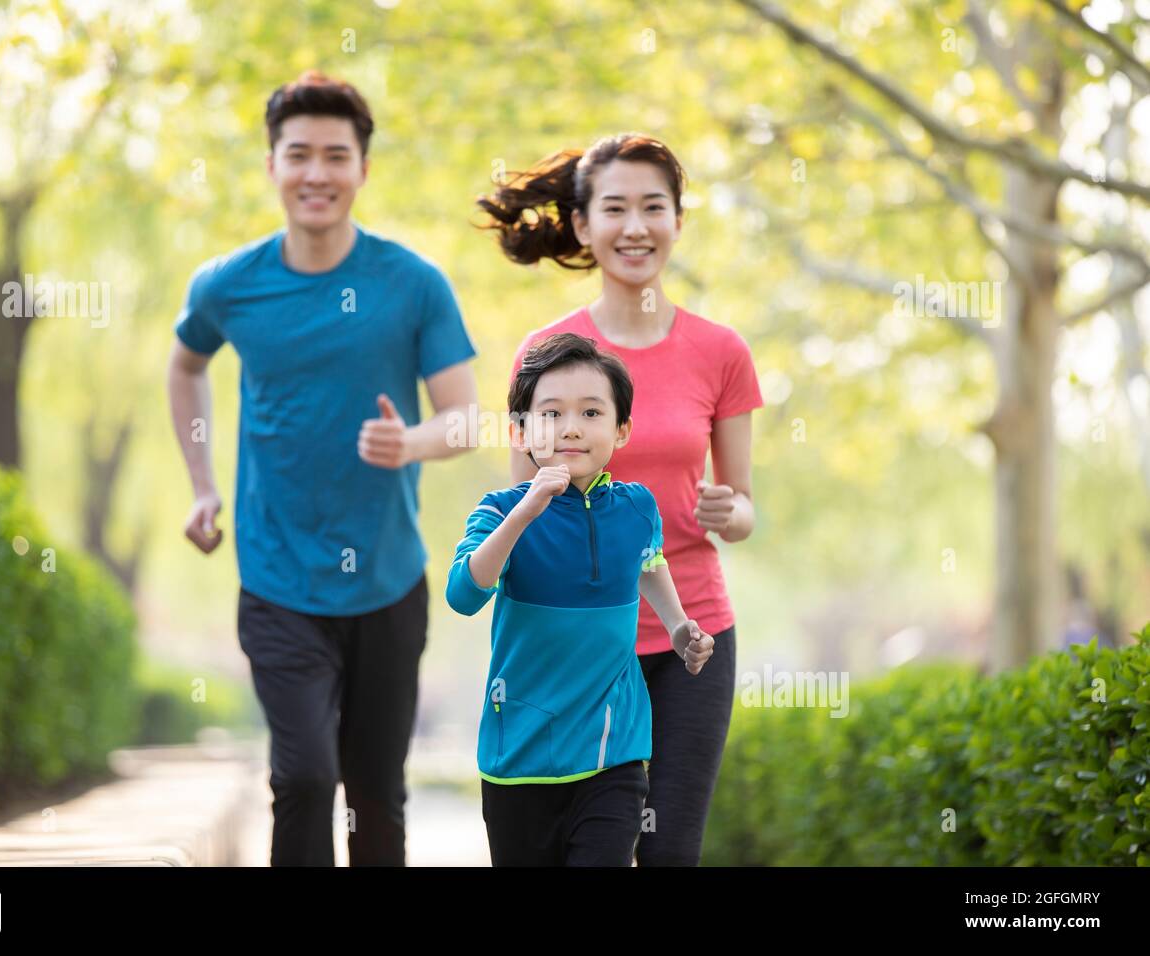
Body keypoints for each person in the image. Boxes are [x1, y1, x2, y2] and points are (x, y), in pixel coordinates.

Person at [166, 70, 480, 866]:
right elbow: (185, 365)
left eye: (335, 155)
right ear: (271, 165)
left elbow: (466, 419)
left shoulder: (412, 284)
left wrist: (411, 443)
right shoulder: (229, 285)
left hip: (388, 579)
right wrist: (203, 484)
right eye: (297, 154)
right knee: (304, 776)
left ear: (362, 170)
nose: (316, 173)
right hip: (278, 580)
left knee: (376, 796)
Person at [477, 133, 764, 865]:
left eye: (653, 207)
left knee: (668, 851)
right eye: (615, 207)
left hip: (687, 637)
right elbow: (522, 508)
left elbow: (743, 508)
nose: (635, 226)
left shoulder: (720, 351)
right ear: (581, 225)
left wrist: (728, 511)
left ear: (677, 220)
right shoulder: (548, 352)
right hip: (573, 647)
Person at [445, 332, 715, 866]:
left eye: (592, 412)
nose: (571, 427)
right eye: (551, 414)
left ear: (622, 429)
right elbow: (463, 593)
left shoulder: (638, 506)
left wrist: (681, 626)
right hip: (519, 756)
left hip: (612, 752)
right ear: (521, 431)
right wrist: (527, 510)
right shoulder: (499, 512)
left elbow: (649, 563)